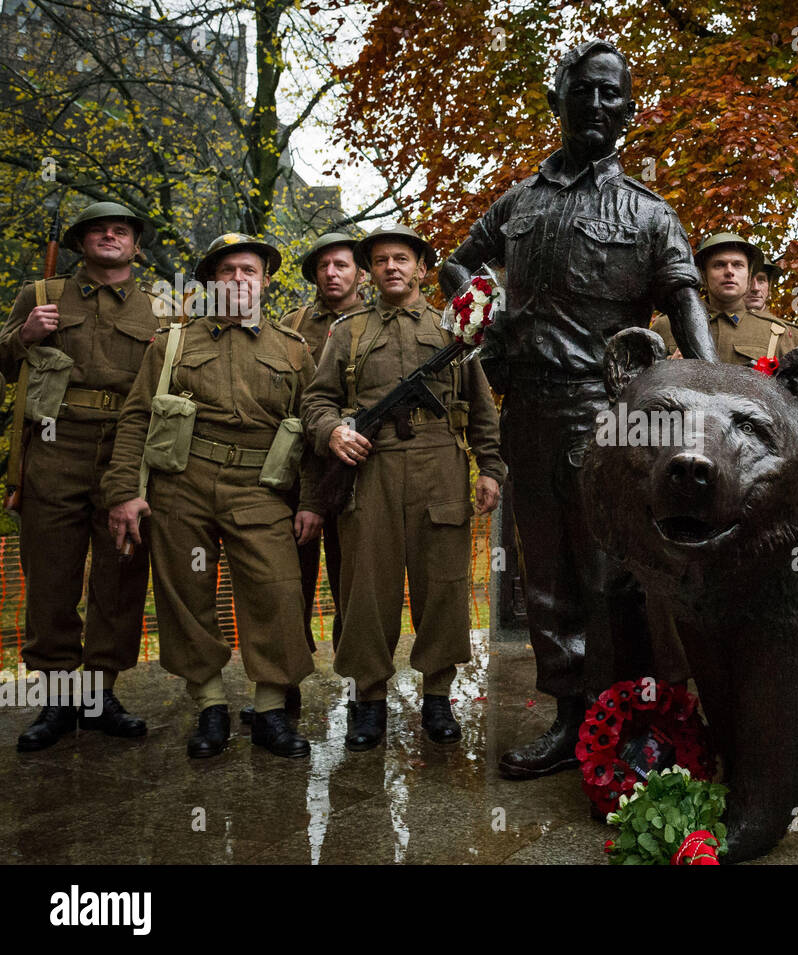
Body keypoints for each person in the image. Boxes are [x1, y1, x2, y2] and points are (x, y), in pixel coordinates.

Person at [439, 40, 717, 780]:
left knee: (611, 574)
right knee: (546, 575)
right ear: (558, 98)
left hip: (609, 413)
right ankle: (569, 719)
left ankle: (620, 713)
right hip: (527, 409)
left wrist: (719, 391)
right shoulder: (519, 200)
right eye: (583, 92)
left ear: (628, 110)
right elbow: (457, 261)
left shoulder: (649, 213)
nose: (597, 106)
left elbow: (685, 301)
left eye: (611, 95)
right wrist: (482, 313)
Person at [104, 233, 320, 759]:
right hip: (182, 481)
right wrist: (123, 494)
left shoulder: (294, 350)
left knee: (276, 590)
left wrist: (312, 501)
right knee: (186, 593)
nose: (239, 279)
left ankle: (270, 710)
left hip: (261, 487)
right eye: (227, 271)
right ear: (211, 283)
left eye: (249, 270)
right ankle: (210, 706)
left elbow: (315, 429)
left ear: (265, 280)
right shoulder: (173, 343)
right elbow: (136, 418)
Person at [301, 224, 505, 751]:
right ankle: (367, 701)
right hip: (371, 468)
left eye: (402, 259)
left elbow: (481, 407)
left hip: (440, 463)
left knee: (444, 585)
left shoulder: (454, 330)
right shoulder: (346, 332)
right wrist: (333, 432)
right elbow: (316, 402)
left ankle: (439, 697)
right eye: (382, 260)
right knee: (367, 589)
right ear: (369, 271)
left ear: (420, 268)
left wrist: (489, 468)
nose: (392, 267)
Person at [0, 201, 170, 752]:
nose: (110, 235)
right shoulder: (42, 295)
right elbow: (4, 362)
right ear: (80, 243)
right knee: (51, 574)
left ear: (136, 245)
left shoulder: (164, 306)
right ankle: (56, 698)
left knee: (121, 573)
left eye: (121, 229)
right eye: (97, 230)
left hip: (128, 448)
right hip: (56, 445)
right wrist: (23, 335)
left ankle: (101, 693)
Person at [228, 233, 364, 728]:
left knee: (352, 583)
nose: (332, 273)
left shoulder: (376, 321)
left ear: (360, 272)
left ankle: (359, 688)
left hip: (356, 469)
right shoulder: (290, 328)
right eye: (323, 266)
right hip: (296, 472)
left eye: (342, 264)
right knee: (290, 584)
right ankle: (281, 688)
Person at [651, 232, 798, 364]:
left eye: (738, 265)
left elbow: (792, 393)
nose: (729, 271)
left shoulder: (774, 333)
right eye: (719, 265)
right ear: (703, 275)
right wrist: (669, 367)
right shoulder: (666, 325)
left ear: (749, 276)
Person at [744, 252, 782, 320]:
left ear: (769, 287)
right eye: (748, 280)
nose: (755, 288)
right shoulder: (720, 327)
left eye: (761, 280)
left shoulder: (788, 330)